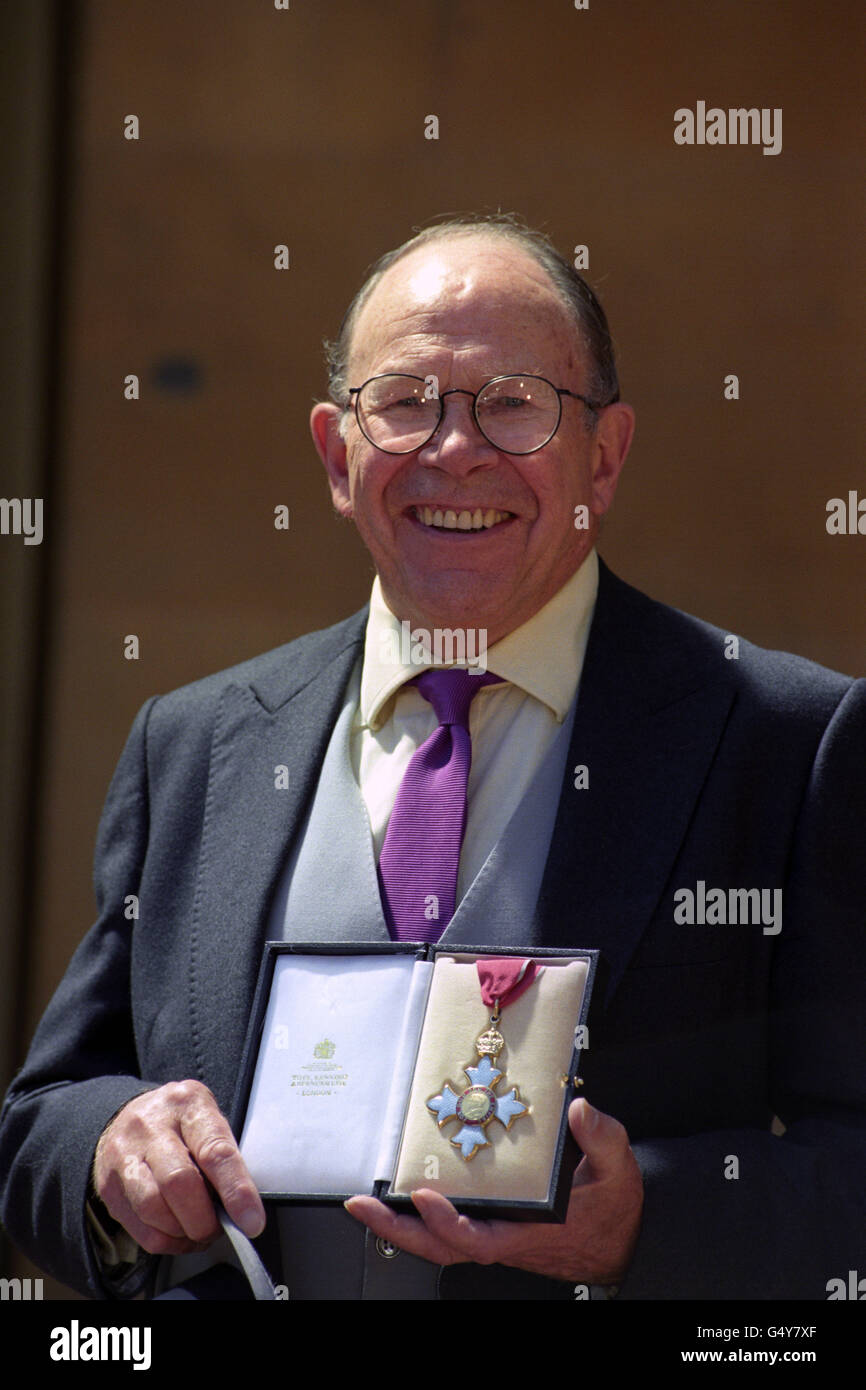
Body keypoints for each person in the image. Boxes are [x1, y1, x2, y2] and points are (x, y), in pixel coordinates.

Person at [1, 215, 864, 1302]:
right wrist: (105, 1153)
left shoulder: (784, 745)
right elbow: (47, 1113)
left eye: (511, 402)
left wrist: (644, 1219)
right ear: (334, 452)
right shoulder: (195, 743)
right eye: (404, 402)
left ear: (601, 454)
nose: (453, 451)